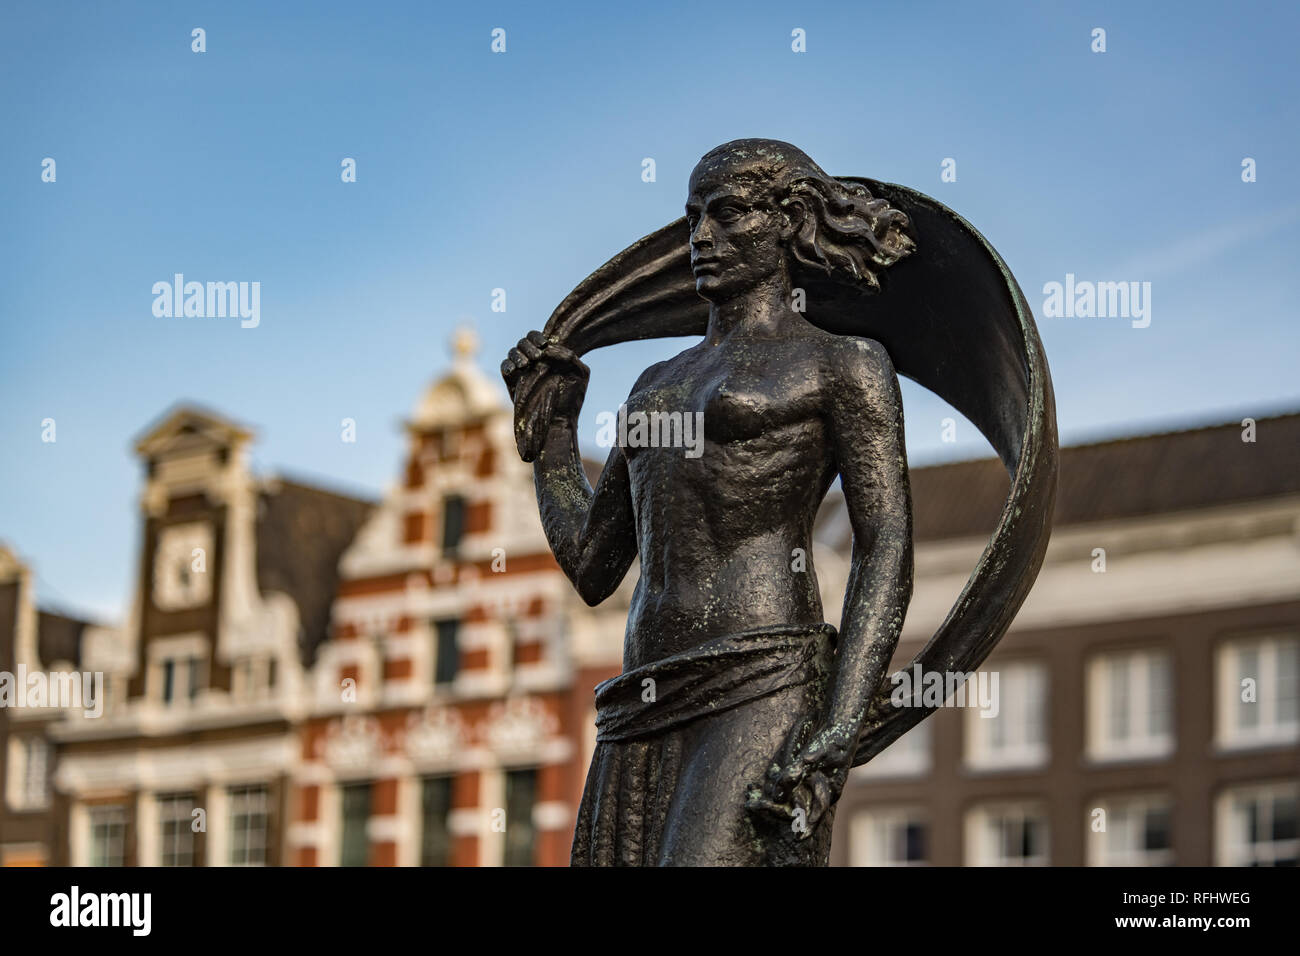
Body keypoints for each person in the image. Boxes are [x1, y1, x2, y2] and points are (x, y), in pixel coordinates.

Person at [501, 139, 915, 865]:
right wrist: (556, 432)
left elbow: (885, 545)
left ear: (789, 221)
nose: (700, 239)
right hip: (642, 699)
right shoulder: (654, 384)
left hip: (762, 679)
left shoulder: (842, 364)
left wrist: (841, 724)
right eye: (693, 218)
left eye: (726, 215)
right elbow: (594, 566)